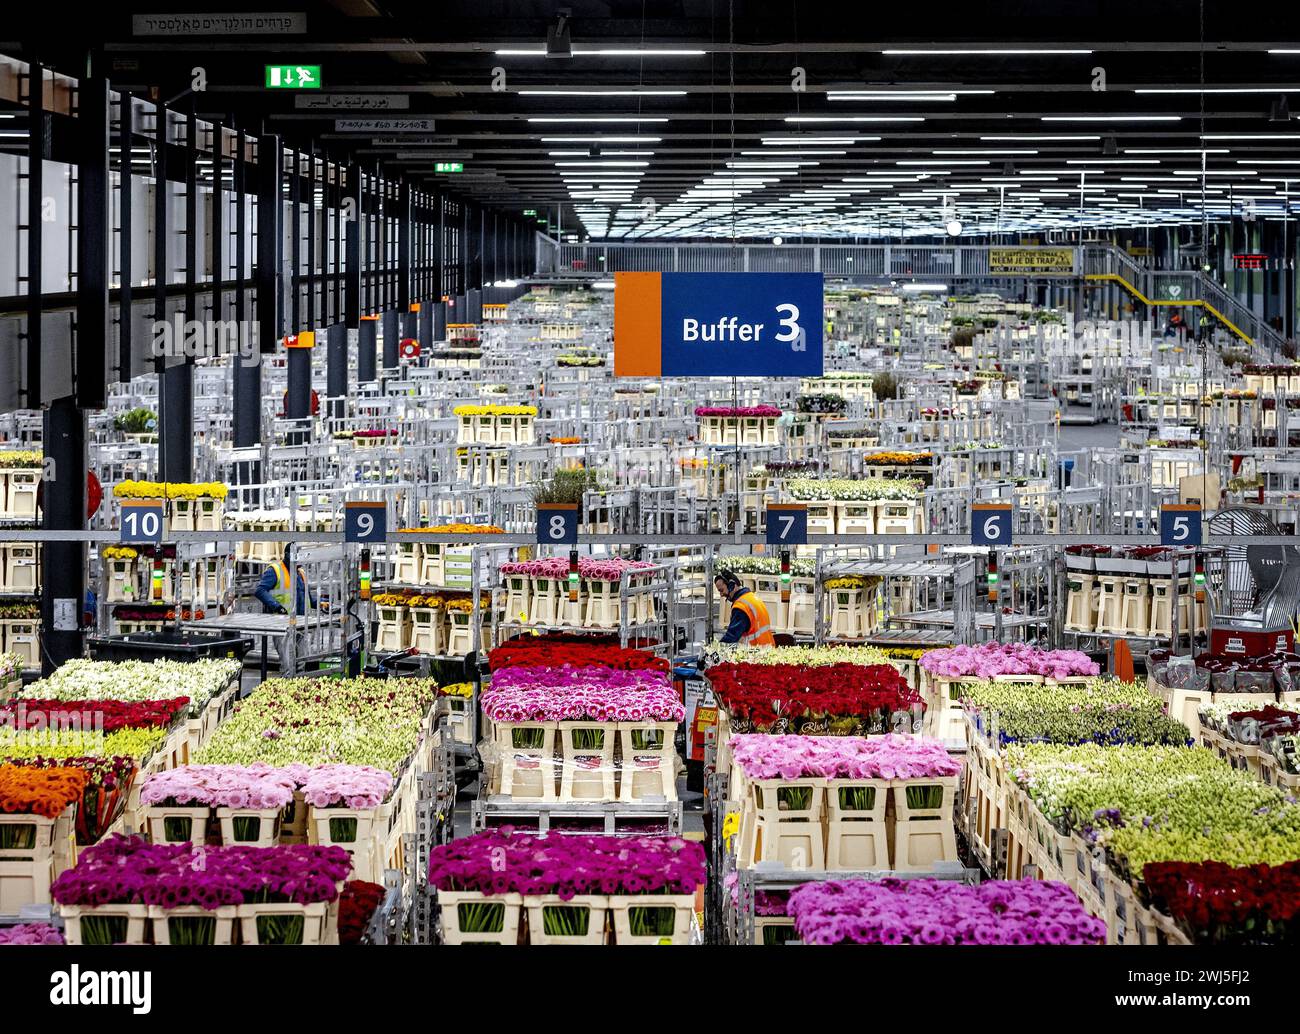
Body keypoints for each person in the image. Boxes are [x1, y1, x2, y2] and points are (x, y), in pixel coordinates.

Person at [714, 571, 775, 647]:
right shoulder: (751, 597)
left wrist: (716, 648)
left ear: (731, 586)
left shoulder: (740, 607)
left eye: (721, 590)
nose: (721, 594)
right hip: (767, 650)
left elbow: (731, 637)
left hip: (756, 652)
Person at [254, 546, 319, 616]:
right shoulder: (275, 570)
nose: (301, 560)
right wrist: (278, 607)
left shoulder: (301, 573)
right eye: (298, 557)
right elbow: (260, 591)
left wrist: (322, 604)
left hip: (302, 621)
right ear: (288, 555)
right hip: (281, 621)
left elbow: (309, 600)